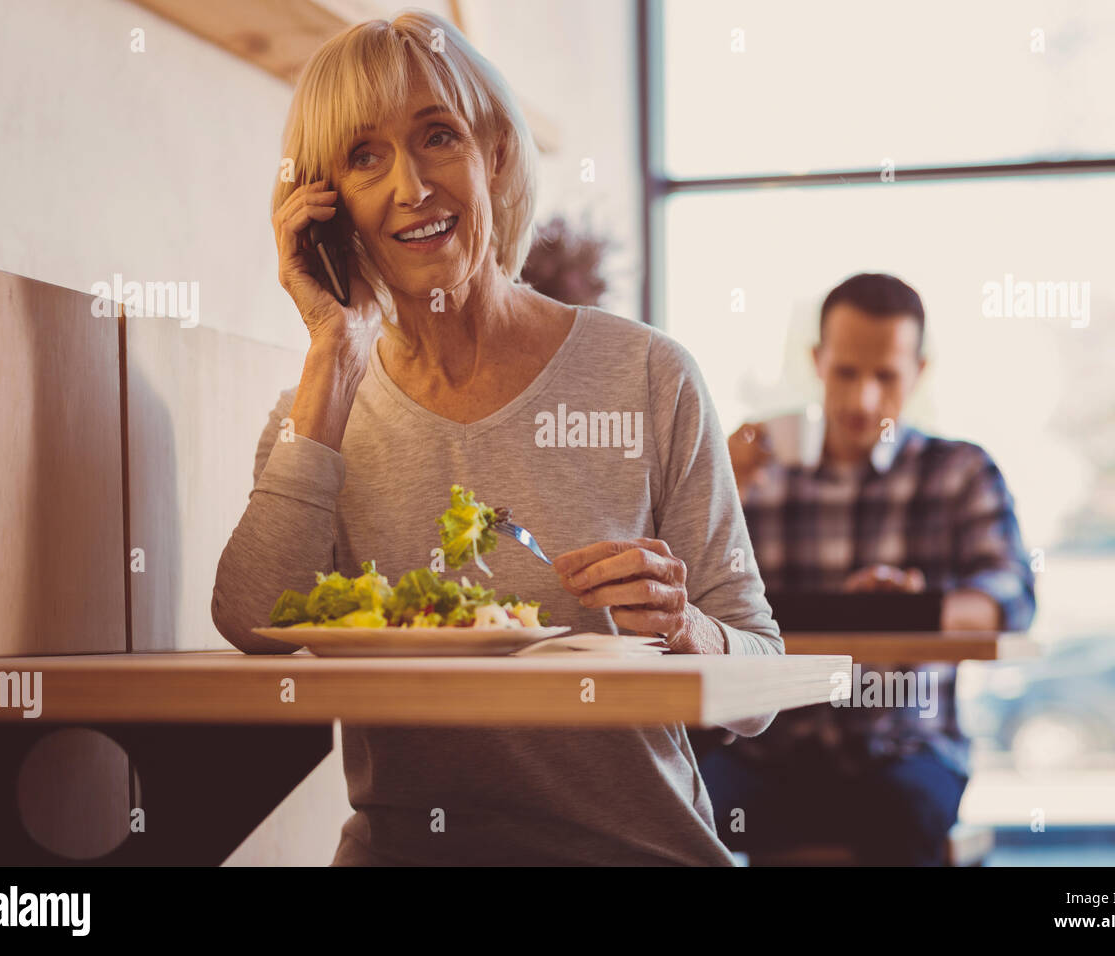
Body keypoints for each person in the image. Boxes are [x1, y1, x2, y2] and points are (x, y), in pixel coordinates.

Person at [210, 10, 782, 866]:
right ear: (325, 209)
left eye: (437, 137)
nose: (410, 186)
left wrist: (687, 628)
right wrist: (331, 351)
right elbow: (253, 622)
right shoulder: (316, 415)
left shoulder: (647, 374)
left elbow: (760, 685)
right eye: (365, 157)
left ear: (498, 156)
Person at [698, 273, 1036, 865]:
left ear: (920, 371)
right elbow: (685, 597)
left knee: (902, 814)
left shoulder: (958, 471)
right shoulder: (752, 471)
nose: (863, 401)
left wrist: (916, 607)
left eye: (886, 376)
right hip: (767, 751)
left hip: (904, 750)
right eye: (846, 373)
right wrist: (714, 487)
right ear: (816, 361)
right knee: (679, 807)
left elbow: (1009, 594)